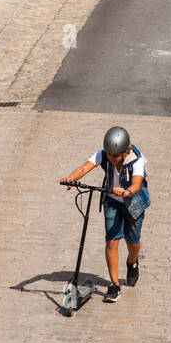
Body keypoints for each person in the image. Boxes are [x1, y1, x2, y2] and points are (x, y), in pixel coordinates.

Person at [60, 126, 150, 303]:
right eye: (109, 154)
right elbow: (85, 167)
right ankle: (114, 285)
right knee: (111, 240)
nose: (111, 158)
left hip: (133, 204)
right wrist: (71, 178)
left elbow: (136, 184)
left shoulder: (137, 160)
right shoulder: (104, 154)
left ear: (124, 152)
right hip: (111, 202)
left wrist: (125, 192)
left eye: (115, 155)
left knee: (132, 240)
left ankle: (132, 261)